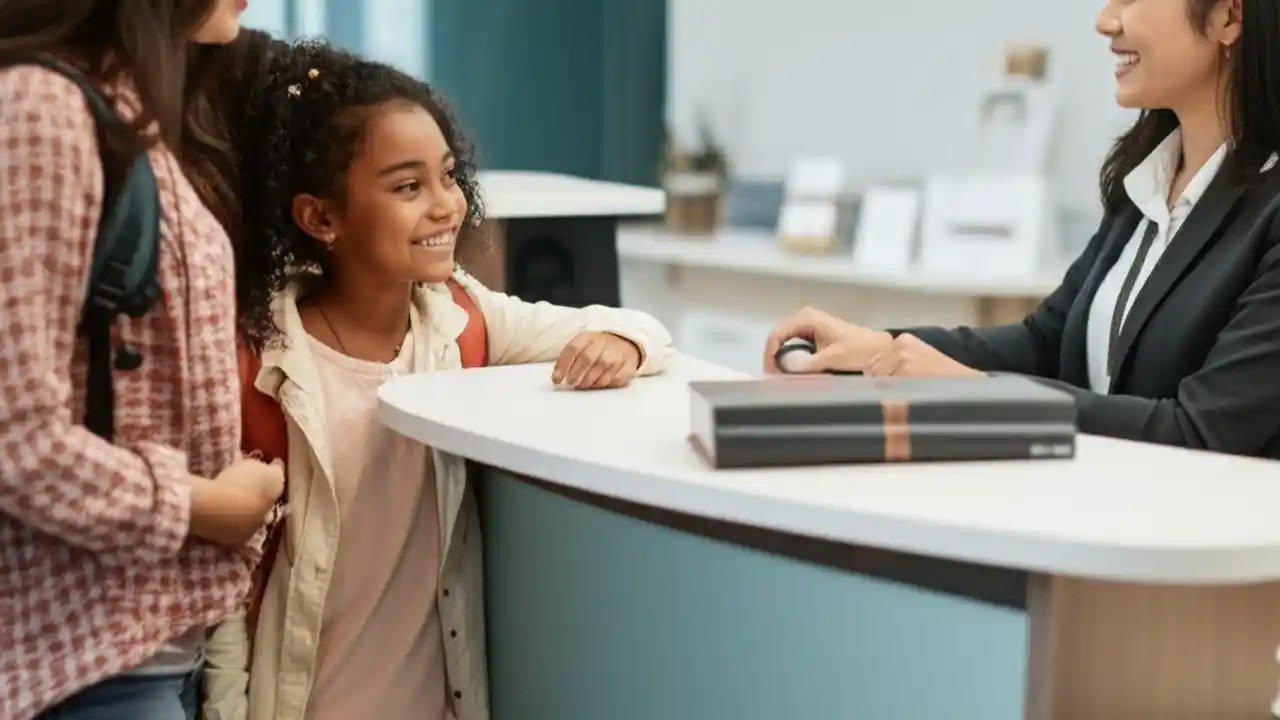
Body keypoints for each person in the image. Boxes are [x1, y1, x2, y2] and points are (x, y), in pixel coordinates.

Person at [201, 40, 674, 720]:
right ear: (320, 218)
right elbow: (227, 595)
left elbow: (640, 329)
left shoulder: (464, 320)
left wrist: (621, 341)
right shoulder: (258, 360)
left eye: (448, 177)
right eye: (406, 186)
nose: (445, 205)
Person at [765, 0, 1280, 458]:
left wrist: (977, 392)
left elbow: (1199, 433)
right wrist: (879, 348)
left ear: (1228, 16)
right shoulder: (1148, 178)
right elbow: (1047, 343)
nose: (1105, 20)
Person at [0, 1, 289, 719]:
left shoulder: (121, 107)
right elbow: (16, 438)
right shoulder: (42, 110)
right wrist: (208, 506)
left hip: (149, 653)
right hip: (82, 667)